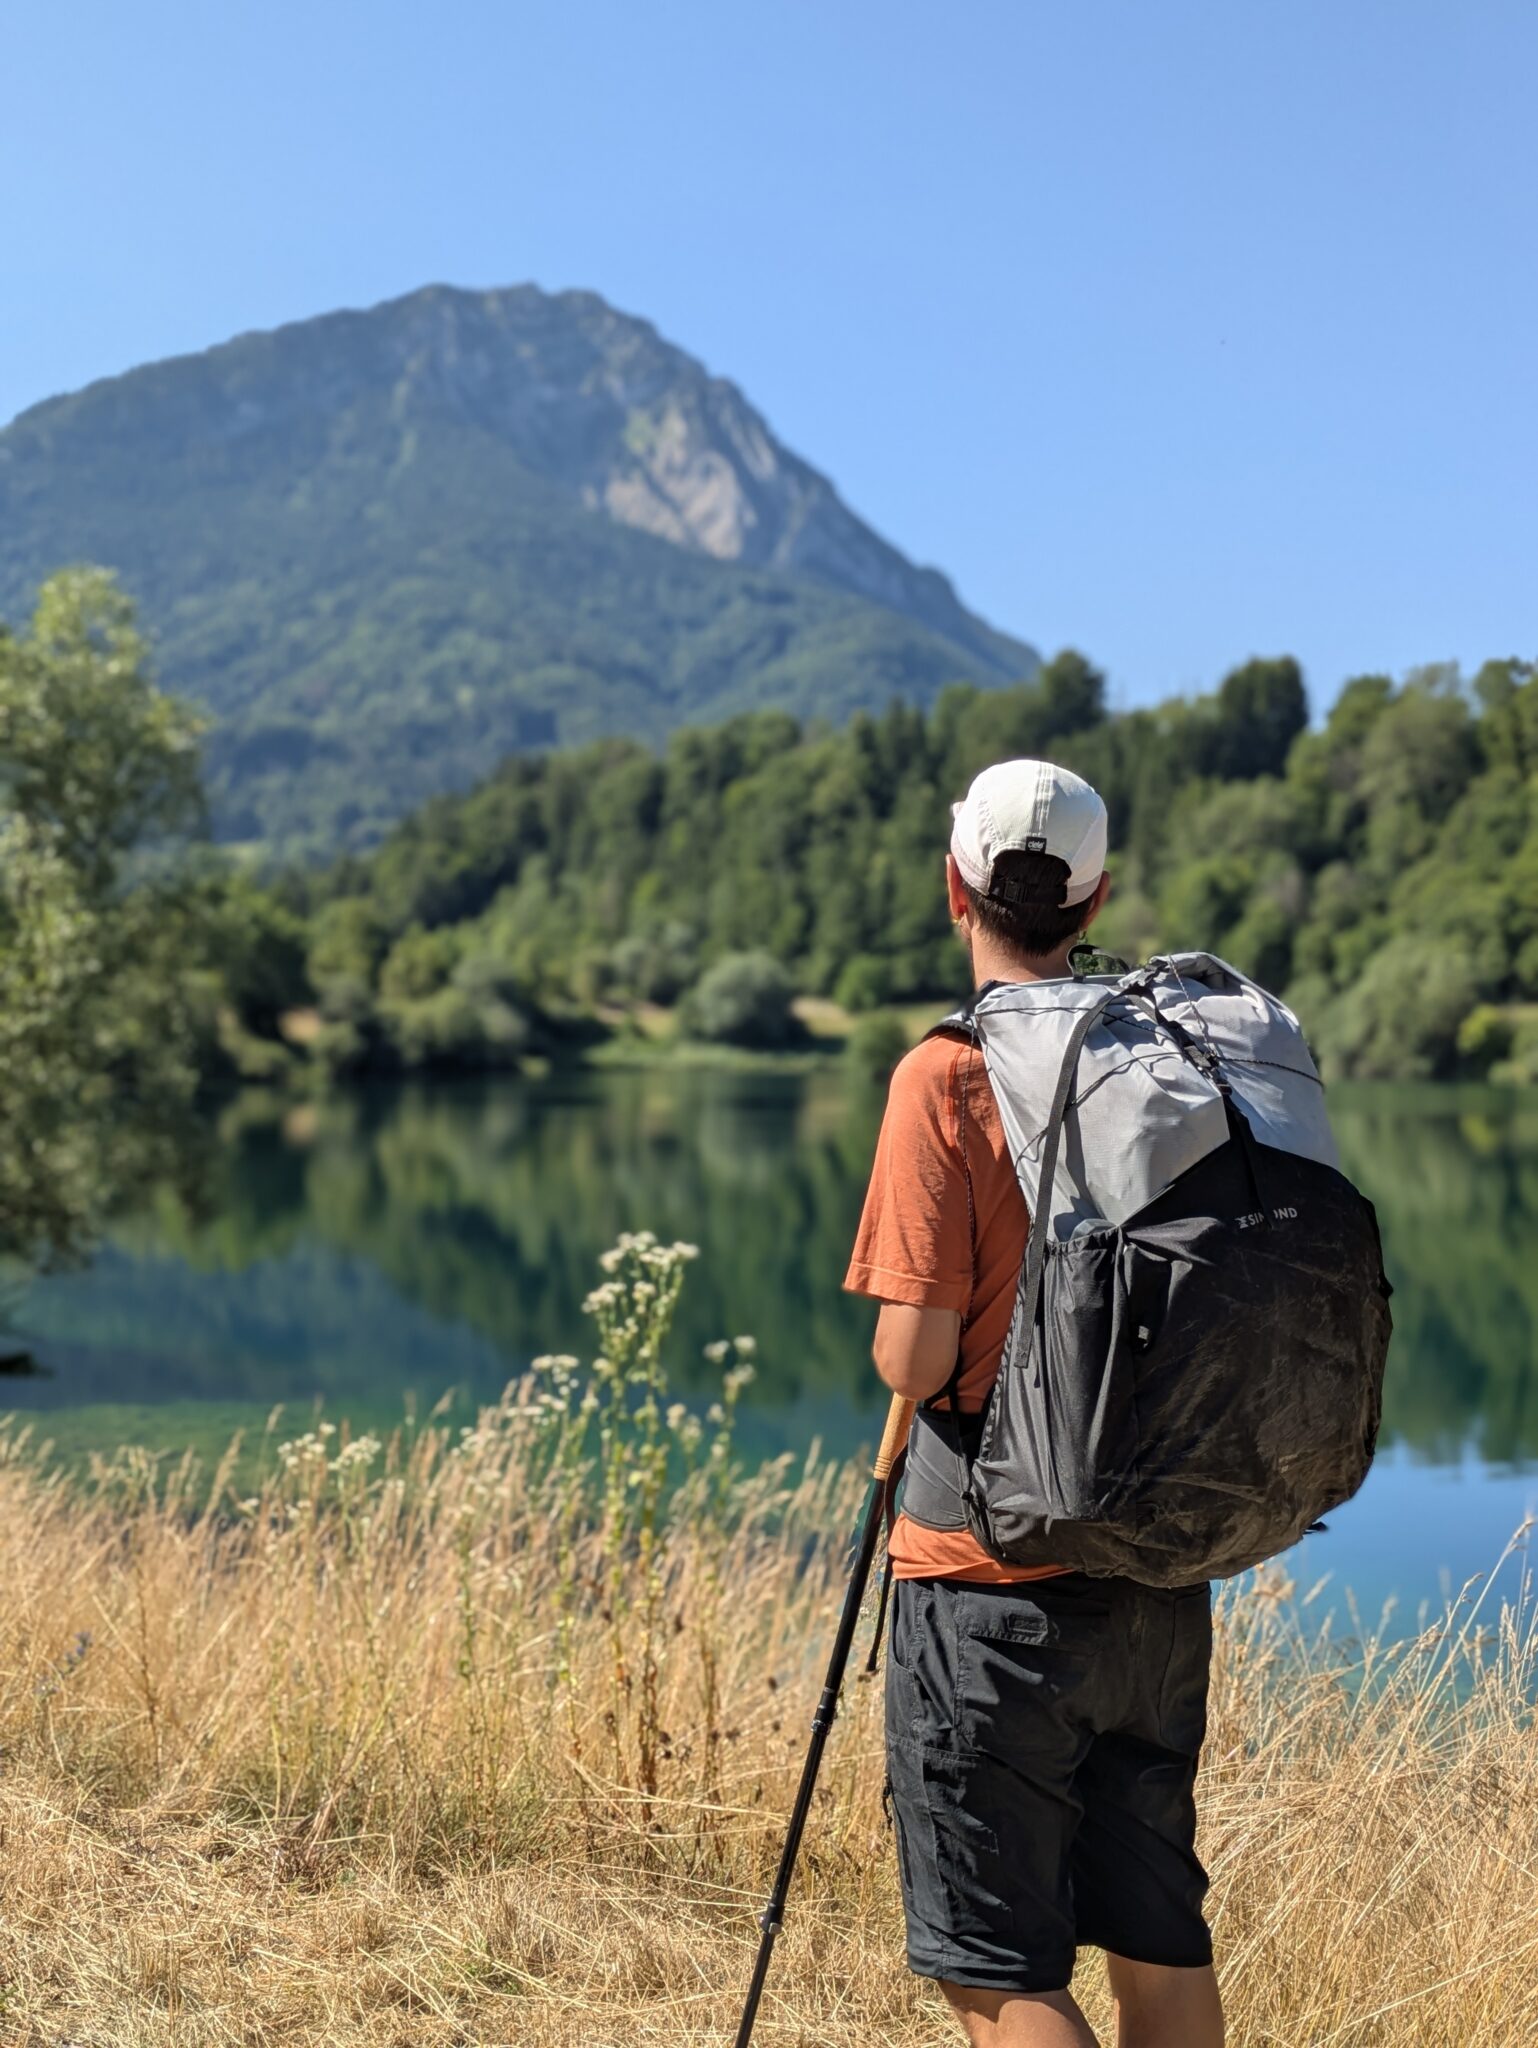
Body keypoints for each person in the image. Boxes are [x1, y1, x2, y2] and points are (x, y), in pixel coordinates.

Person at [843, 759, 1225, 2048]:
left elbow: (915, 1361)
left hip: (988, 1579)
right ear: (1095, 894)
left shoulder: (944, 1078)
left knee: (1000, 1969)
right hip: (1158, 1580)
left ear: (955, 888)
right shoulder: (1163, 1064)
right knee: (1157, 1943)